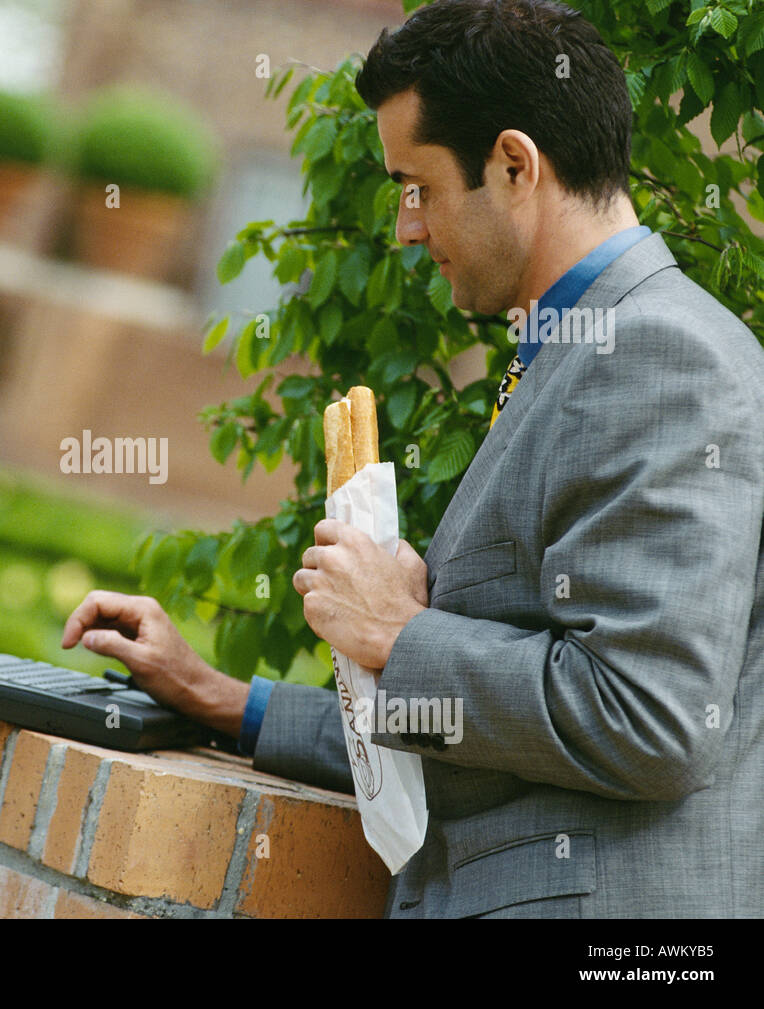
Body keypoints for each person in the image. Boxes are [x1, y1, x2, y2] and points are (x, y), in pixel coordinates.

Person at [61, 0, 764, 917]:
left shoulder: (660, 357)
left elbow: (649, 720)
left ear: (514, 165)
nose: (406, 225)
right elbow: (481, 722)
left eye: (418, 185)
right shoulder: (581, 349)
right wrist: (222, 695)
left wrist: (399, 632)